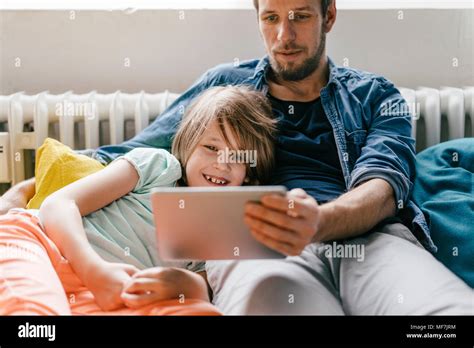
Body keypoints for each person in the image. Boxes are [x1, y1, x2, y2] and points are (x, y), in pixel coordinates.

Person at [1, 0, 472, 314]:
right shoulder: (224, 85)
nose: (284, 34)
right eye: (271, 18)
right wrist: (37, 184)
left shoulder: (376, 95)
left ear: (329, 17)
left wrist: (319, 222)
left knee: (440, 315)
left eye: (301, 16)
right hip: (249, 240)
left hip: (367, 236)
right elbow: (142, 148)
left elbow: (385, 185)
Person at [0, 86, 277, 314]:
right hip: (44, 248)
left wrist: (189, 285)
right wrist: (94, 272)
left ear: (250, 174)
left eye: (236, 156)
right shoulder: (159, 167)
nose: (221, 163)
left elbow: (207, 289)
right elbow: (57, 205)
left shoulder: (226, 239)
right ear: (188, 146)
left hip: (114, 294)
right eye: (211, 147)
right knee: (31, 314)